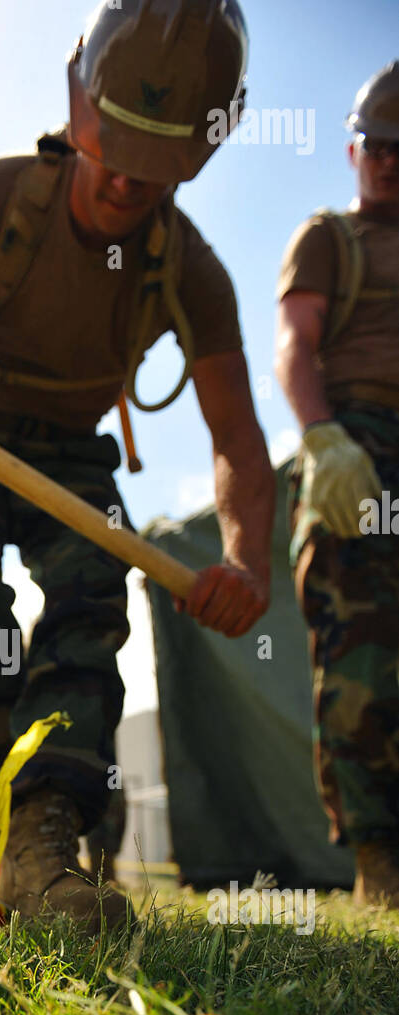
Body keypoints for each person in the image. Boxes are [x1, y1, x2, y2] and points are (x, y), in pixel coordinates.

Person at [0, 0, 274, 932]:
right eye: (112, 153)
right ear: (77, 105)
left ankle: (45, 834)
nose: (123, 186)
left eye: (154, 173)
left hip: (74, 458)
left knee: (86, 618)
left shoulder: (190, 271)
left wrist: (246, 562)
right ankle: (31, 812)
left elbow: (234, 435)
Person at [276, 62, 399, 908]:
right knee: (362, 667)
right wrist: (322, 438)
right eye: (378, 145)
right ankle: (379, 866)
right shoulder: (330, 237)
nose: (390, 161)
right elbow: (294, 341)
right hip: (359, 447)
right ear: (355, 149)